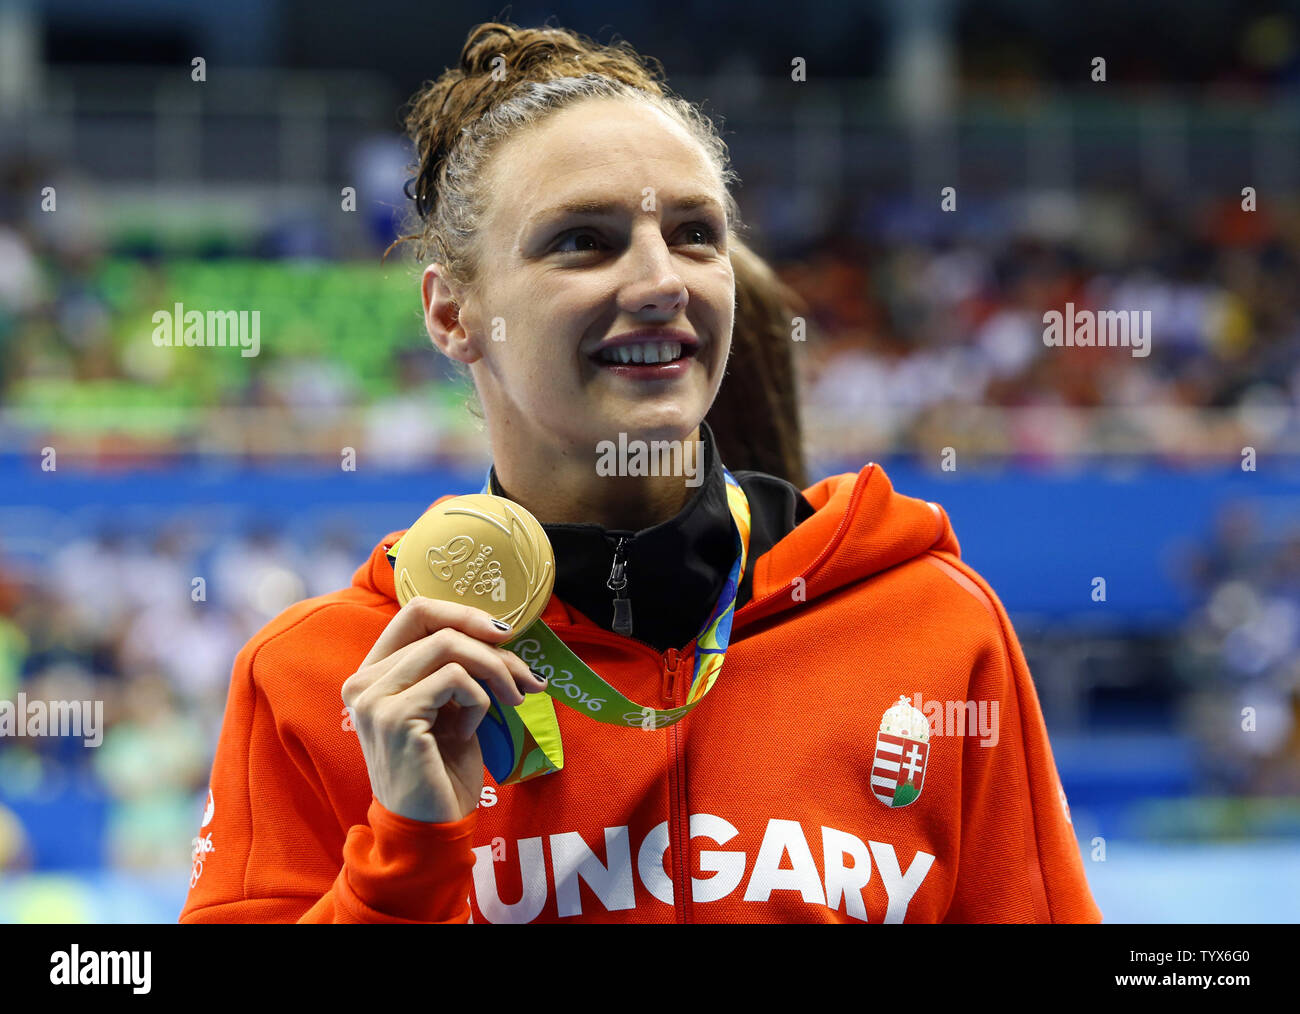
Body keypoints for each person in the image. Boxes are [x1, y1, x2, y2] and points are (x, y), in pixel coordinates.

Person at [179, 20, 1101, 924]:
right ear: (454, 312)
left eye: (696, 233)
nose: (662, 280)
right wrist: (405, 863)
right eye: (583, 239)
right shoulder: (322, 683)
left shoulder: (929, 626)